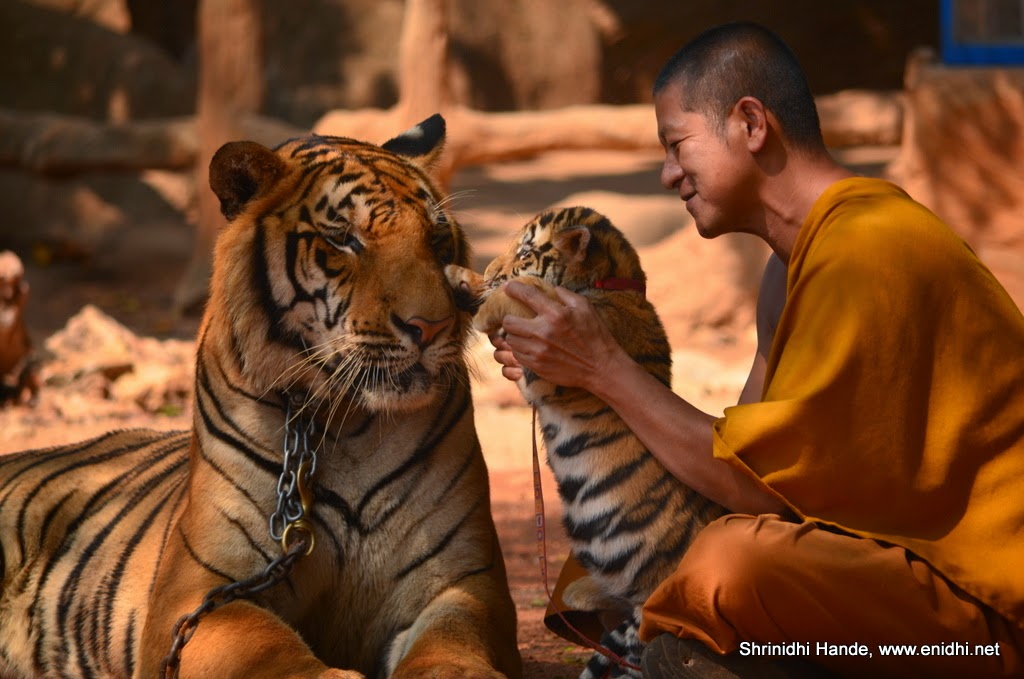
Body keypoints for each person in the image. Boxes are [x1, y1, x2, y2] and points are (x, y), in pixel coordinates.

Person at [489, 21, 1024, 678]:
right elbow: (733, 471)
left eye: (676, 143)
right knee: (635, 548)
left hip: (986, 618)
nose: (666, 174)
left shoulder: (869, 247)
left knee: (727, 565)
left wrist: (603, 365)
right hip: (893, 581)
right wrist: (572, 374)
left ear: (750, 123)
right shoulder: (790, 267)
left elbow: (756, 490)